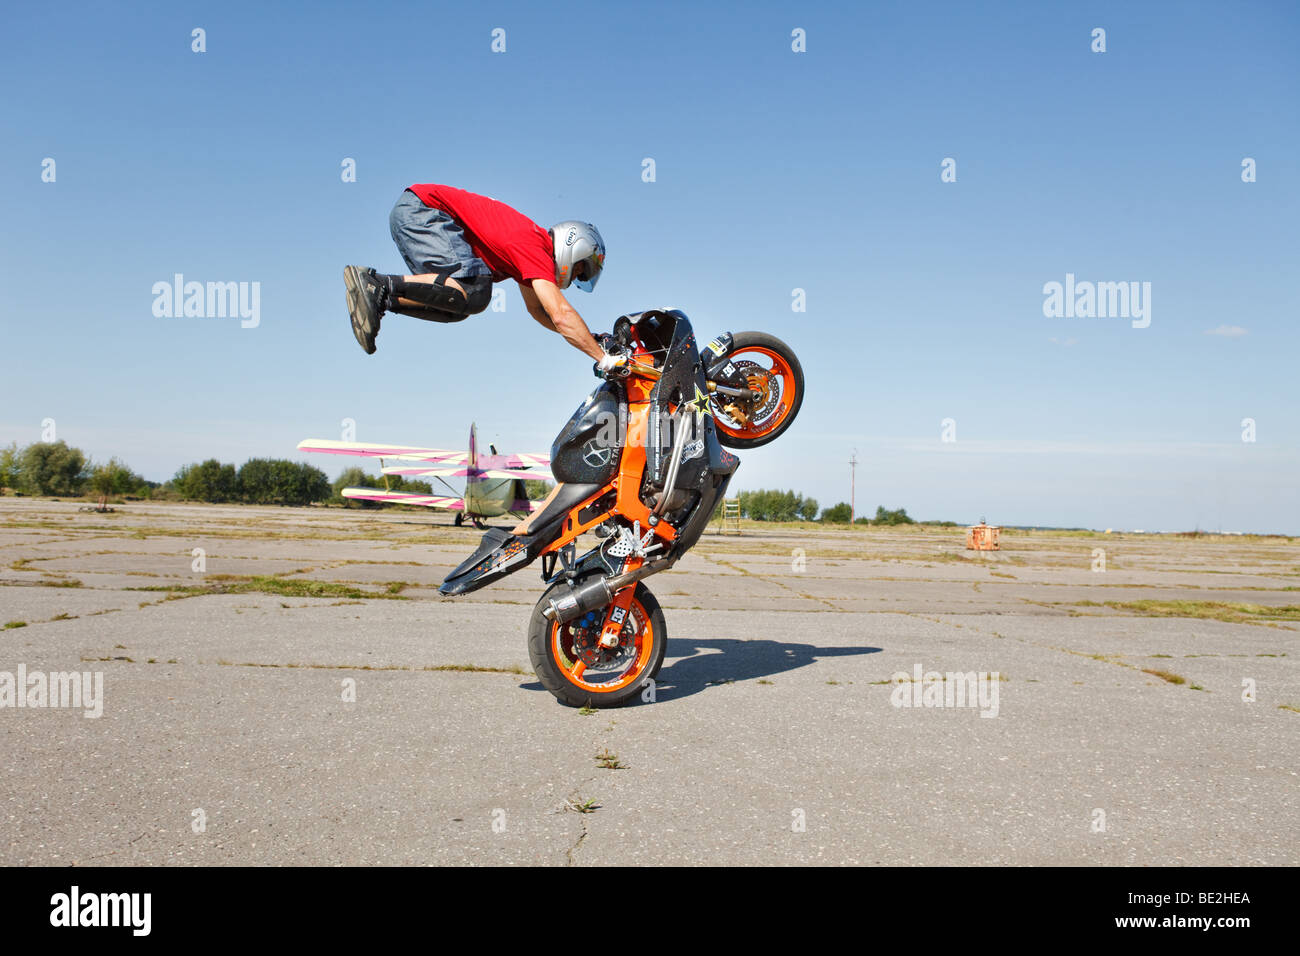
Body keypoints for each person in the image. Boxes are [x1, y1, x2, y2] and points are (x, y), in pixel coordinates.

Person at [344, 183, 622, 372]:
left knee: (458, 306)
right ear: (574, 249)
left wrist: (593, 339)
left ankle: (381, 298)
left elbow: (539, 311)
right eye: (579, 269)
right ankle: (377, 284)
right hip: (423, 210)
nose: (573, 278)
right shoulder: (535, 246)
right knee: (475, 292)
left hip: (412, 211)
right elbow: (560, 313)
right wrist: (603, 360)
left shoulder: (528, 255)